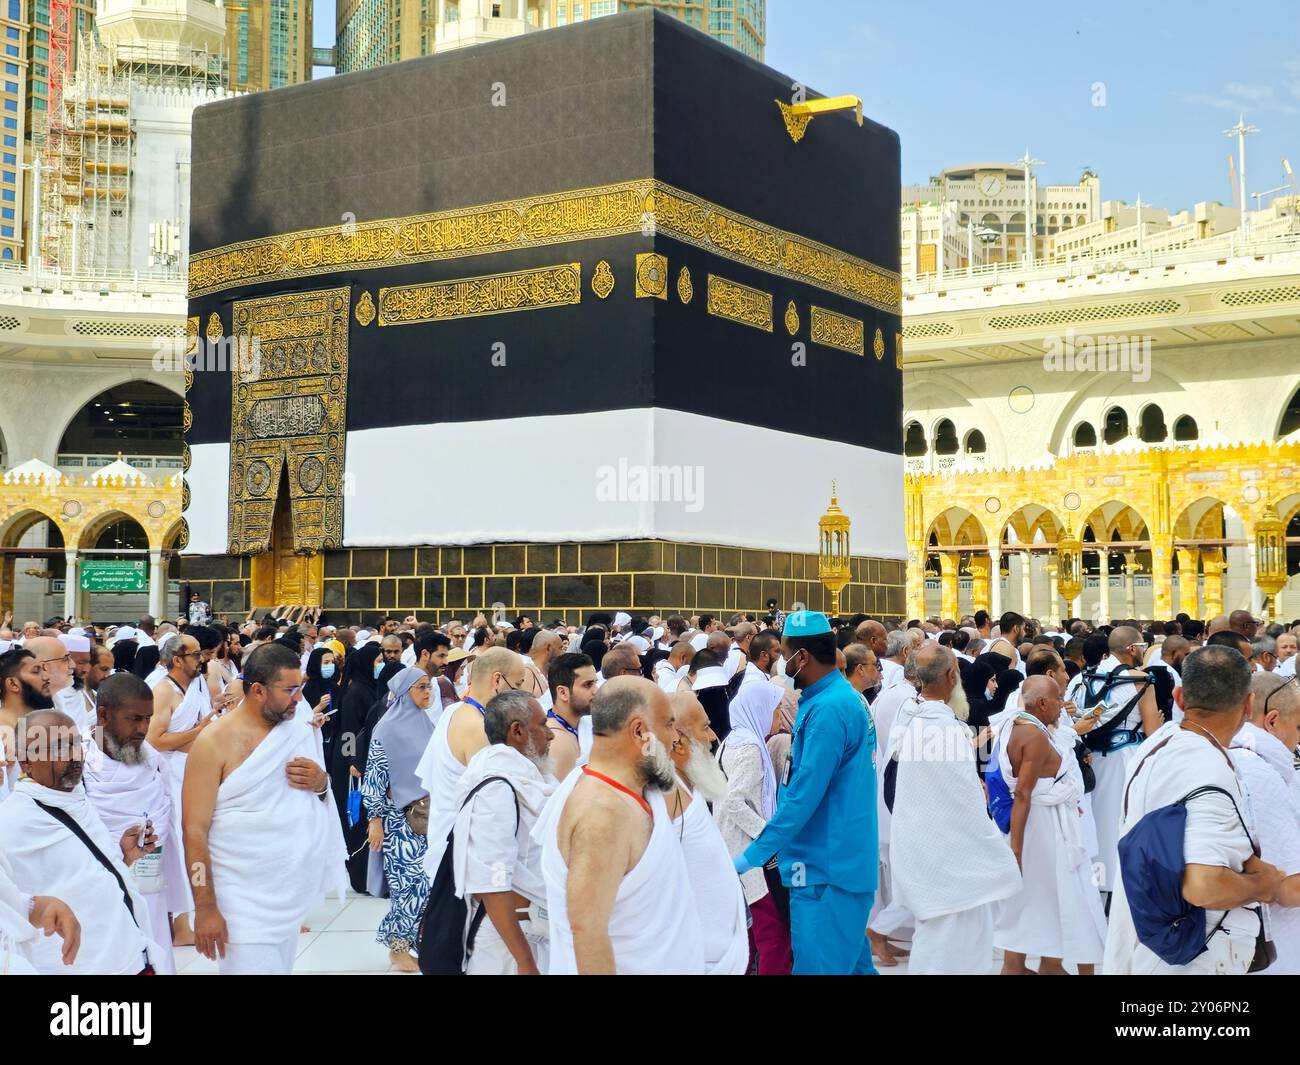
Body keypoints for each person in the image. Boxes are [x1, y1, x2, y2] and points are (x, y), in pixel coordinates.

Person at [1105, 646, 1291, 975]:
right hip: (1192, 957)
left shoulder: (1156, 745)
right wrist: (1265, 887)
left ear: (1178, 697)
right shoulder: (1208, 767)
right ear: (1248, 705)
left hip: (1147, 945)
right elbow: (1203, 885)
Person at [183, 643, 346, 975]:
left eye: (299, 688)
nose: (299, 698)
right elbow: (194, 829)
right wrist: (205, 906)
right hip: (239, 901)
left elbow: (317, 793)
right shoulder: (214, 742)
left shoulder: (295, 728)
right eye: (289, 690)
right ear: (257, 690)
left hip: (287, 893)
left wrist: (321, 782)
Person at [732, 611, 878, 975]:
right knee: (854, 967)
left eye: (785, 653)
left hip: (826, 869)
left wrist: (748, 859)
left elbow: (802, 798)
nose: (781, 662)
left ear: (803, 658)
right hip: (828, 862)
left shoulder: (830, 709)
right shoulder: (823, 700)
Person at [533, 676, 703, 974]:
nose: (674, 737)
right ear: (639, 731)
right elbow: (587, 931)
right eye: (667, 725)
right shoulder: (603, 813)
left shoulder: (628, 792)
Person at [888, 644, 1020, 974]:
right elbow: (966, 805)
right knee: (957, 945)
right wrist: (995, 849)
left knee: (936, 942)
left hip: (920, 853)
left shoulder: (910, 719)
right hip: (952, 866)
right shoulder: (942, 728)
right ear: (951, 676)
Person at [0, 710, 163, 974]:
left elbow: (80, 874)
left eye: (77, 743)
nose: (74, 755)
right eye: (59, 747)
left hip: (132, 954)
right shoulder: (9, 822)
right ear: (27, 762)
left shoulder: (76, 798)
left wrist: (122, 856)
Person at [993, 675, 1107, 975]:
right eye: (1058, 698)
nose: (1063, 705)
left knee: (1038, 899)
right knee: (1066, 897)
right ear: (1042, 703)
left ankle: (1044, 965)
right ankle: (1044, 967)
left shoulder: (1019, 725)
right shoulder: (1033, 735)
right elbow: (1023, 794)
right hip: (1042, 831)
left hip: (1045, 825)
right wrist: (1016, 849)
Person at [81, 673, 191, 976]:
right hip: (96, 896)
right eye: (134, 719)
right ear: (103, 715)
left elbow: (169, 834)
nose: (143, 729)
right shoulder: (75, 765)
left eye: (148, 719)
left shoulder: (155, 763)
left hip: (151, 891)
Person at [452, 690, 556, 975]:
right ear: (518, 731)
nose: (550, 734)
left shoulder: (525, 776)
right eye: (543, 724)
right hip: (506, 945)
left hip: (535, 930)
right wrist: (524, 961)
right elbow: (492, 884)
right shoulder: (496, 788)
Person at [1066, 625, 1162, 899]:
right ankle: (1121, 879)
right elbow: (1154, 731)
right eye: (1142, 647)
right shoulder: (1141, 680)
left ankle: (1094, 878)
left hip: (1087, 759)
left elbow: (1073, 717)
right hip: (1125, 757)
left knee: (1094, 819)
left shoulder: (1083, 677)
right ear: (1132, 649)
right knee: (1122, 819)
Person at [417, 647, 529, 879]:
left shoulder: (455, 711)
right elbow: (493, 806)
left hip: (446, 837)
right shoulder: (479, 729)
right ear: (497, 680)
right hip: (465, 855)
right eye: (517, 685)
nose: (520, 694)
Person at [361, 667, 436, 972]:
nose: (427, 692)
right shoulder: (386, 730)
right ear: (405, 692)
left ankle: (408, 942)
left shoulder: (426, 723)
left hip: (428, 819)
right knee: (409, 888)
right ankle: (397, 948)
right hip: (399, 821)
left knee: (426, 885)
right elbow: (375, 778)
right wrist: (375, 820)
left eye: (429, 686)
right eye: (421, 687)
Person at [667, 691, 748, 975]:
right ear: (677, 739)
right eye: (704, 727)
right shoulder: (665, 798)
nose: (714, 736)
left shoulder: (690, 786)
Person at [717, 679, 791, 974]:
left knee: (749, 933)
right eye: (775, 711)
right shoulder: (749, 748)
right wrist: (770, 835)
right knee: (773, 934)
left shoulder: (731, 741)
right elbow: (735, 802)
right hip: (751, 853)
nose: (777, 718)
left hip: (731, 846)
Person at [1230, 673, 1300, 973]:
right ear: (1272, 721)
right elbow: (1287, 890)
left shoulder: (1219, 754)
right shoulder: (1260, 773)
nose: (1297, 739)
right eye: (1297, 726)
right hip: (1269, 947)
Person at [0, 648, 52, 800]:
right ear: (13, 684)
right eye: (36, 672)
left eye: (44, 670)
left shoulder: (51, 722)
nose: (46, 677)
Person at [545, 652, 597, 781]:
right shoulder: (555, 741)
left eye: (595, 683)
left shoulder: (587, 723)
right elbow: (564, 797)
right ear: (563, 692)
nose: (596, 690)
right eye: (588, 685)